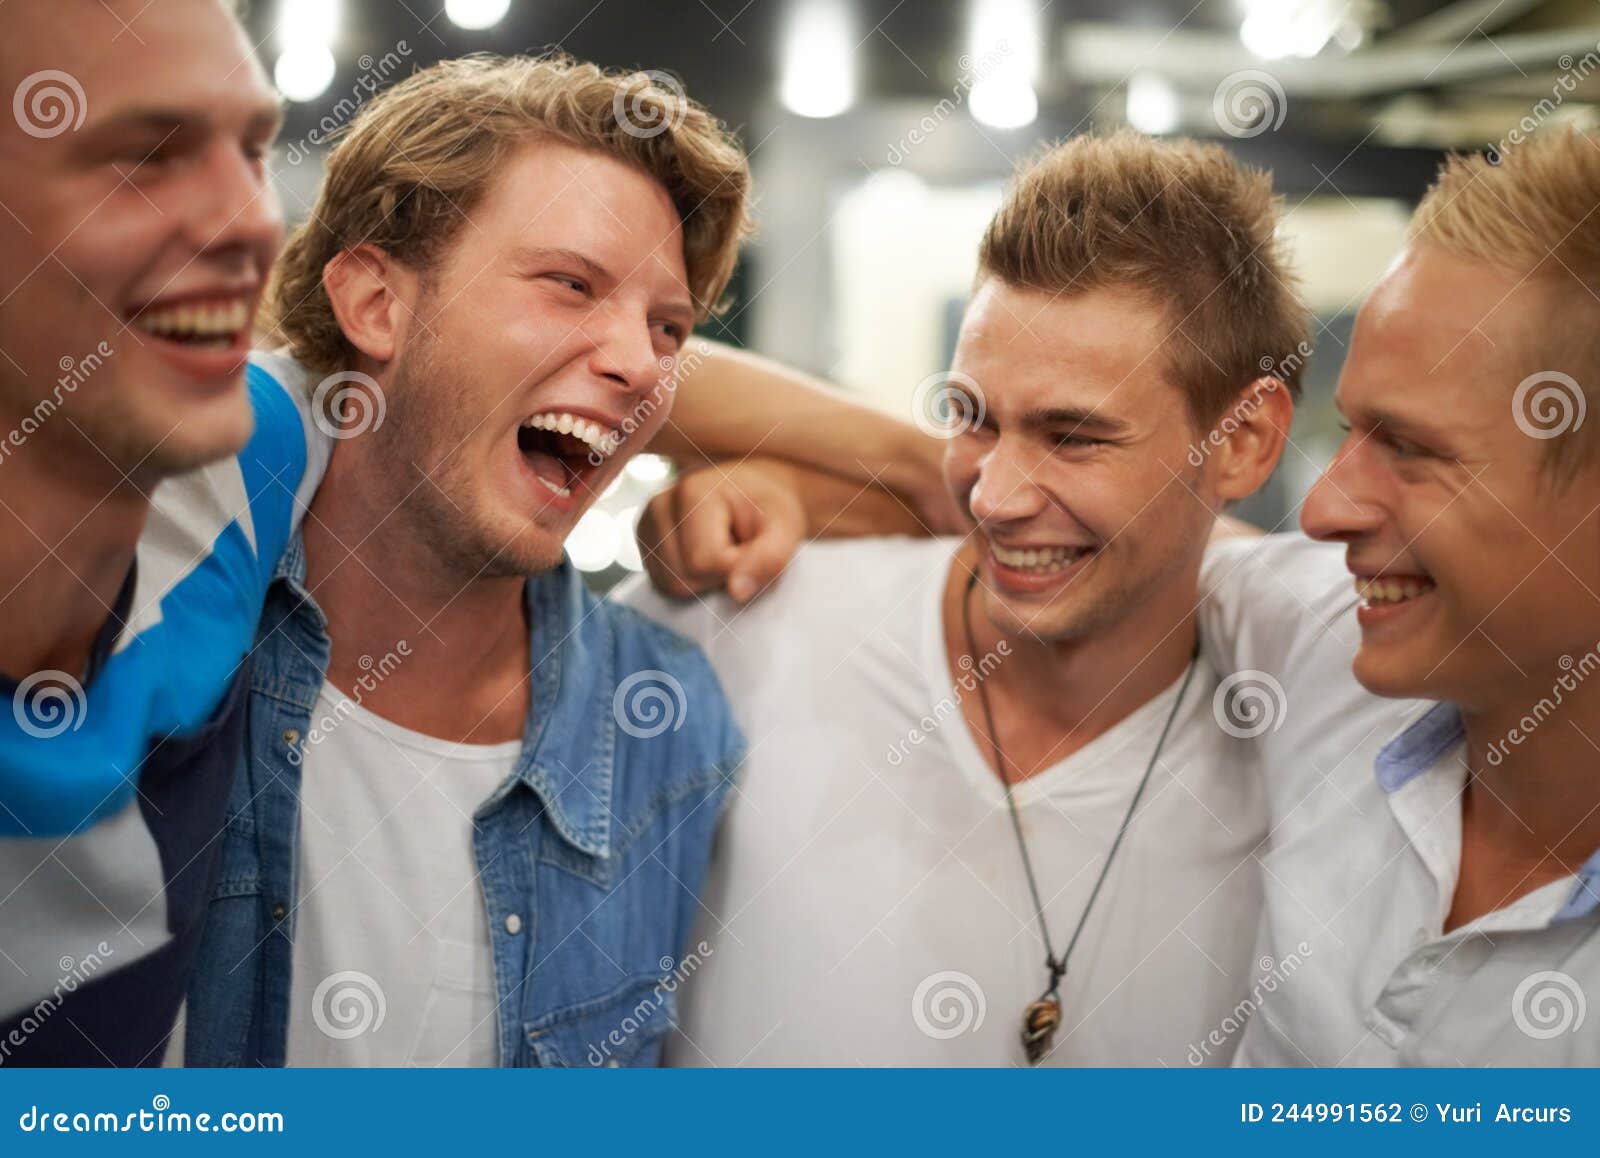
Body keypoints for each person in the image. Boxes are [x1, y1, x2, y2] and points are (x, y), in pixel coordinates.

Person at [0, 5, 939, 1067]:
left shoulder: (669, 727)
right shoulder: (210, 511)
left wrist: (868, 472)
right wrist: (905, 457)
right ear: (372, 302)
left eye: (670, 329)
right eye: (569, 283)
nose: (641, 362)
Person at [622, 132, 1305, 1066]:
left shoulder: (1316, 744)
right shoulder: (738, 625)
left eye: (1073, 437)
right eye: (970, 417)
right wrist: (906, 471)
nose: (995, 497)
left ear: (1245, 441)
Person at [1196, 126, 1600, 1065]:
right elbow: (1111, 536)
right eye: (1352, 432)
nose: (1323, 509)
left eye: (1411, 449)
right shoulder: (1337, 646)